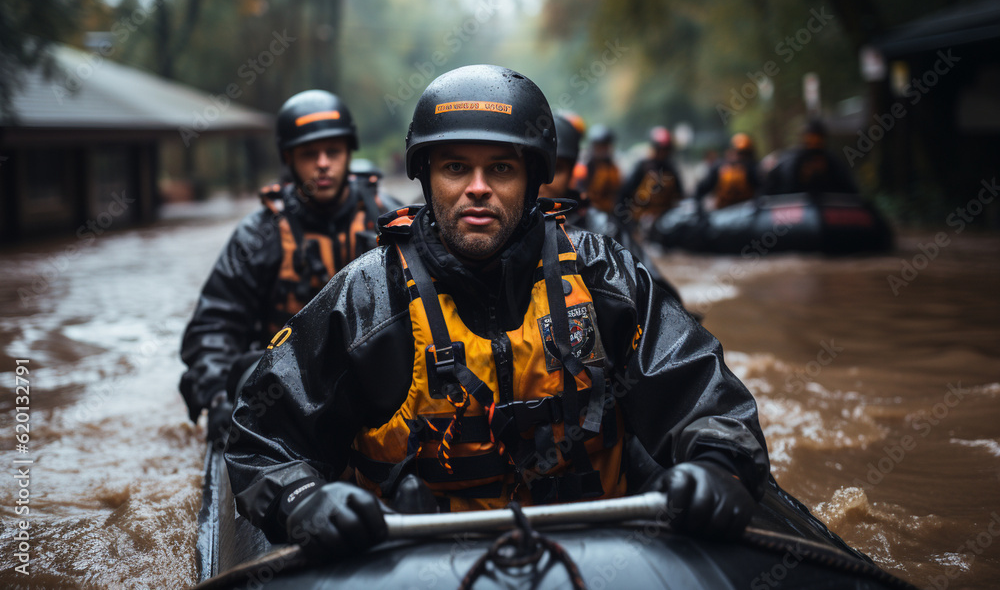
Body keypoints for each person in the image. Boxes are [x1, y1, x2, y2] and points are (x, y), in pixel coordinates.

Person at [225, 65, 769, 558]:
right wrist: (300, 500)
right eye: (456, 167)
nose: (477, 190)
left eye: (501, 169)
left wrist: (719, 464)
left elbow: (705, 396)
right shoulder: (366, 298)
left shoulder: (605, 275)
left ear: (533, 179)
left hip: (601, 549)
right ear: (427, 176)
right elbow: (262, 438)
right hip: (417, 562)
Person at [179, 89, 398, 439]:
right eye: (309, 154)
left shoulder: (388, 221)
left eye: (334, 151)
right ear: (289, 159)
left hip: (370, 380)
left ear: (348, 153)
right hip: (281, 387)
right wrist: (220, 395)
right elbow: (213, 328)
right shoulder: (257, 236)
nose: (323, 163)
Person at [541, 110, 687, 305]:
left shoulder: (603, 228)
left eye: (556, 170)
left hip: (622, 215)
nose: (542, 181)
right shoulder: (598, 168)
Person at [761, 119, 858, 196]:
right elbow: (771, 195)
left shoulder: (836, 166)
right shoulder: (788, 167)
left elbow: (850, 194)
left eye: (818, 146)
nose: (813, 155)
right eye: (809, 145)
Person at [618, 126, 684, 229]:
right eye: (660, 149)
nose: (663, 153)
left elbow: (680, 195)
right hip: (641, 218)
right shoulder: (643, 166)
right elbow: (625, 193)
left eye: (666, 150)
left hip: (664, 218)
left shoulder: (671, 169)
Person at [695, 133, 760, 209]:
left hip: (739, 210)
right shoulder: (750, 167)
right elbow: (703, 187)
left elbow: (701, 189)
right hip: (732, 210)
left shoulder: (719, 167)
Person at [582, 124, 622, 213]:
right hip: (586, 210)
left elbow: (617, 191)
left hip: (608, 211)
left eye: (605, 146)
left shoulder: (612, 168)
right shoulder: (584, 166)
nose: (602, 150)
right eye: (599, 146)